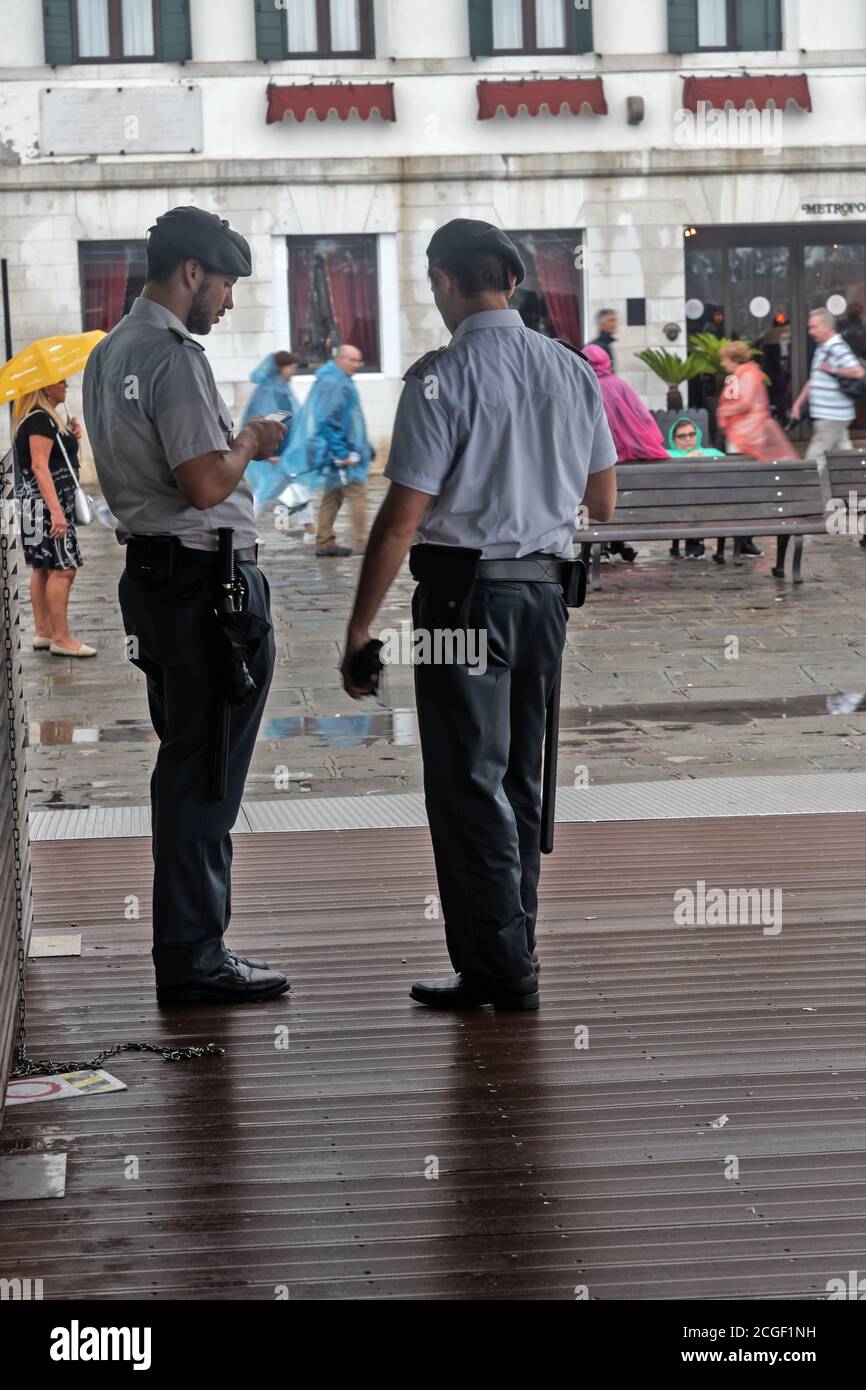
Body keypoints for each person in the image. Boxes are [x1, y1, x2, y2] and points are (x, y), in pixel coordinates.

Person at [340, 218, 617, 1012]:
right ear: (512, 280)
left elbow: (400, 519)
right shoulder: (571, 370)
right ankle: (512, 945)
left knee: (468, 779)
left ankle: (499, 968)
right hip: (542, 595)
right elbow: (602, 498)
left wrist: (360, 629)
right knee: (521, 778)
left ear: (446, 282)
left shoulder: (440, 378)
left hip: (461, 598)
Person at [83, 205, 290, 1006]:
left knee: (187, 762)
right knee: (205, 772)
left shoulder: (109, 352)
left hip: (158, 583)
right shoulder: (172, 357)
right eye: (227, 283)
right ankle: (195, 955)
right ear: (193, 273)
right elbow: (204, 481)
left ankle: (192, 944)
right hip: (208, 588)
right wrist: (252, 442)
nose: (229, 301)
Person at [13, 379, 96, 657]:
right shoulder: (40, 422)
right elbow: (39, 466)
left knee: (42, 566)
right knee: (64, 568)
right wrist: (57, 512)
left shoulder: (43, 420)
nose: (66, 386)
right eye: (61, 382)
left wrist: (72, 437)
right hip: (48, 506)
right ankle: (61, 637)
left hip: (32, 507)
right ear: (46, 388)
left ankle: (44, 631)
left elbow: (56, 461)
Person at [282, 344, 374, 557]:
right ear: (340, 359)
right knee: (357, 493)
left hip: (340, 450)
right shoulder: (335, 382)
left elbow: (348, 419)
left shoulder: (335, 378)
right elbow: (328, 419)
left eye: (359, 361)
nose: (357, 365)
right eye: (352, 360)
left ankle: (324, 542)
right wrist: (342, 453)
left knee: (332, 497)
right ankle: (363, 542)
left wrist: (364, 446)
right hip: (341, 452)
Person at [240, 351, 311, 530]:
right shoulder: (270, 390)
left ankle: (313, 532)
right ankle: (245, 529)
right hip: (276, 452)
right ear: (281, 368)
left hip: (285, 452)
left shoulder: (280, 387)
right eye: (292, 368)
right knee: (265, 493)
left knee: (297, 488)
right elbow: (268, 420)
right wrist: (273, 452)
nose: (293, 372)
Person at [791, 308, 866, 456]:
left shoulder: (837, 347)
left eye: (814, 327)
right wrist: (798, 403)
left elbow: (859, 372)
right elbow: (815, 378)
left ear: (827, 327)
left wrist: (833, 369)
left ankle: (807, 479)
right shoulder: (822, 348)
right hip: (832, 415)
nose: (810, 332)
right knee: (844, 459)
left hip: (832, 416)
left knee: (813, 461)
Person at [582, 345, 668, 461]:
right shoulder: (619, 384)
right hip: (635, 449)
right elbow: (640, 412)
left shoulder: (583, 386)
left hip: (600, 455)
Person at [666, 416, 726, 560]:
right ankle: (694, 543)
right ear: (673, 439)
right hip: (678, 505)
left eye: (691, 434)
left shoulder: (714, 454)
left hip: (715, 502)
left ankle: (744, 543)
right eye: (682, 436)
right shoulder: (666, 456)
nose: (688, 439)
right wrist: (685, 463)